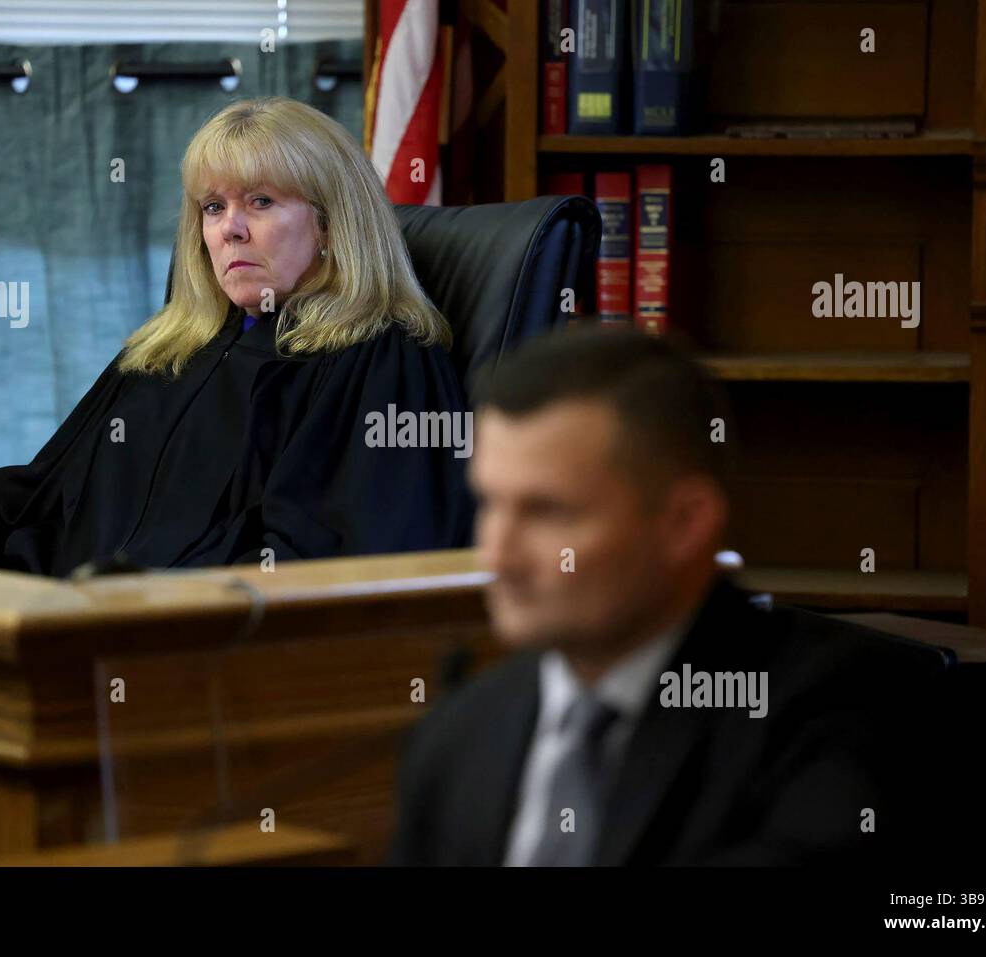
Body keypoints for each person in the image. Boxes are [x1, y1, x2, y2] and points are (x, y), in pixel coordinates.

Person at [390, 328, 949, 866]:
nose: (498, 556)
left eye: (547, 512)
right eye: (490, 504)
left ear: (684, 522)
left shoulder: (850, 714)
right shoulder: (458, 733)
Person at [0, 97, 472, 577]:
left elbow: (338, 566)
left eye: (260, 202)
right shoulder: (166, 352)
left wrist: (135, 605)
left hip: (182, 663)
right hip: (50, 623)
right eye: (212, 207)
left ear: (329, 221)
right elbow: (50, 491)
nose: (229, 229)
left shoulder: (381, 363)